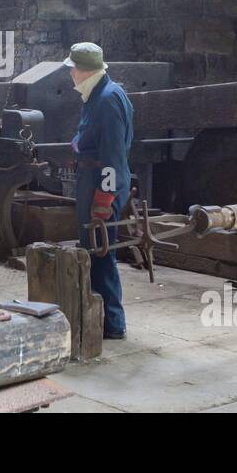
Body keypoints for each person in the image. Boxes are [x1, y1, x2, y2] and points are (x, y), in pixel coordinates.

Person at [65, 42, 133, 340]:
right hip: (92, 179)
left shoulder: (106, 100)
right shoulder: (99, 94)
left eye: (72, 69)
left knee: (101, 253)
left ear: (83, 70)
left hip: (101, 184)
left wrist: (104, 200)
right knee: (93, 252)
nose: (70, 74)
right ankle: (101, 318)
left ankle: (113, 323)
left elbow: (113, 157)